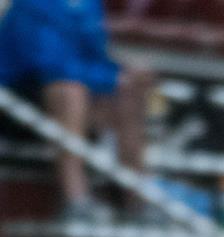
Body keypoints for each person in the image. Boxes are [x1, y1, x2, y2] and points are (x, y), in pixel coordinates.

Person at [0, 0, 150, 222]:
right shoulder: (31, 5)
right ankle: (76, 200)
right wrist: (110, 78)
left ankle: (137, 200)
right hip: (17, 107)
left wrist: (123, 75)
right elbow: (48, 65)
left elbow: (97, 57)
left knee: (129, 88)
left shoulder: (89, 4)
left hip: (71, 99)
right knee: (69, 91)